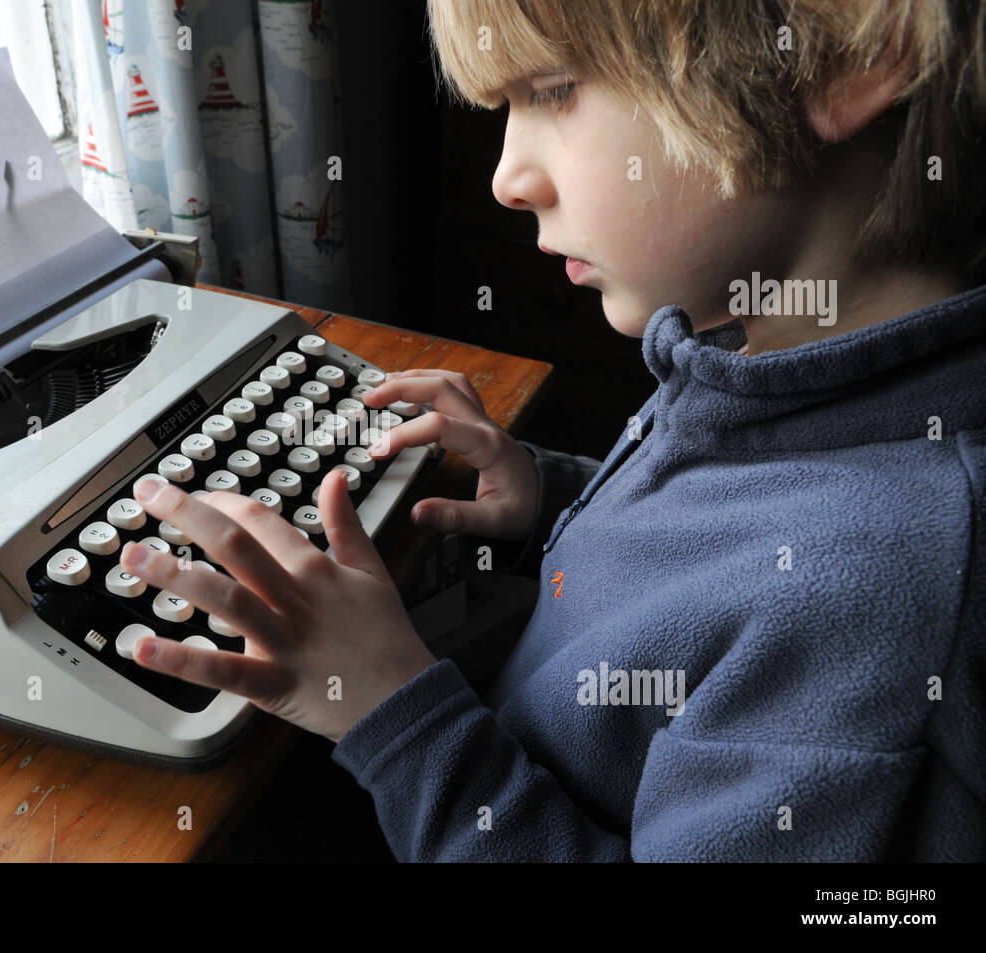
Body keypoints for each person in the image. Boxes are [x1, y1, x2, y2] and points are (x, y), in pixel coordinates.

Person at [118, 0, 986, 860]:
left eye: (556, 90)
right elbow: (708, 536)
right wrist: (550, 490)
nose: (506, 178)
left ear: (844, 51)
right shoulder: (761, 349)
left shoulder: (886, 597)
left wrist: (395, 711)